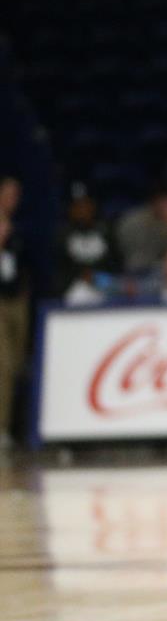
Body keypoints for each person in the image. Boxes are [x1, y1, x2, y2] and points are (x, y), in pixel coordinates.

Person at [116, 180, 167, 275]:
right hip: (142, 272)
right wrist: (166, 230)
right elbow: (136, 262)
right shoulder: (133, 222)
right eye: (164, 200)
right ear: (154, 201)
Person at [57, 183, 118, 305]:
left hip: (105, 289)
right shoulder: (62, 236)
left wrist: (98, 278)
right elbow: (59, 272)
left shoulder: (106, 232)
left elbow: (116, 265)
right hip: (72, 293)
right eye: (77, 206)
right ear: (70, 209)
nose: (82, 211)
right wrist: (80, 276)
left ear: (93, 206)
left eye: (85, 205)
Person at [0, 175, 27, 442]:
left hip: (15, 299)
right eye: (8, 194)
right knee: (3, 365)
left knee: (17, 364)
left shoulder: (16, 228)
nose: (13, 200)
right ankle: (2, 427)